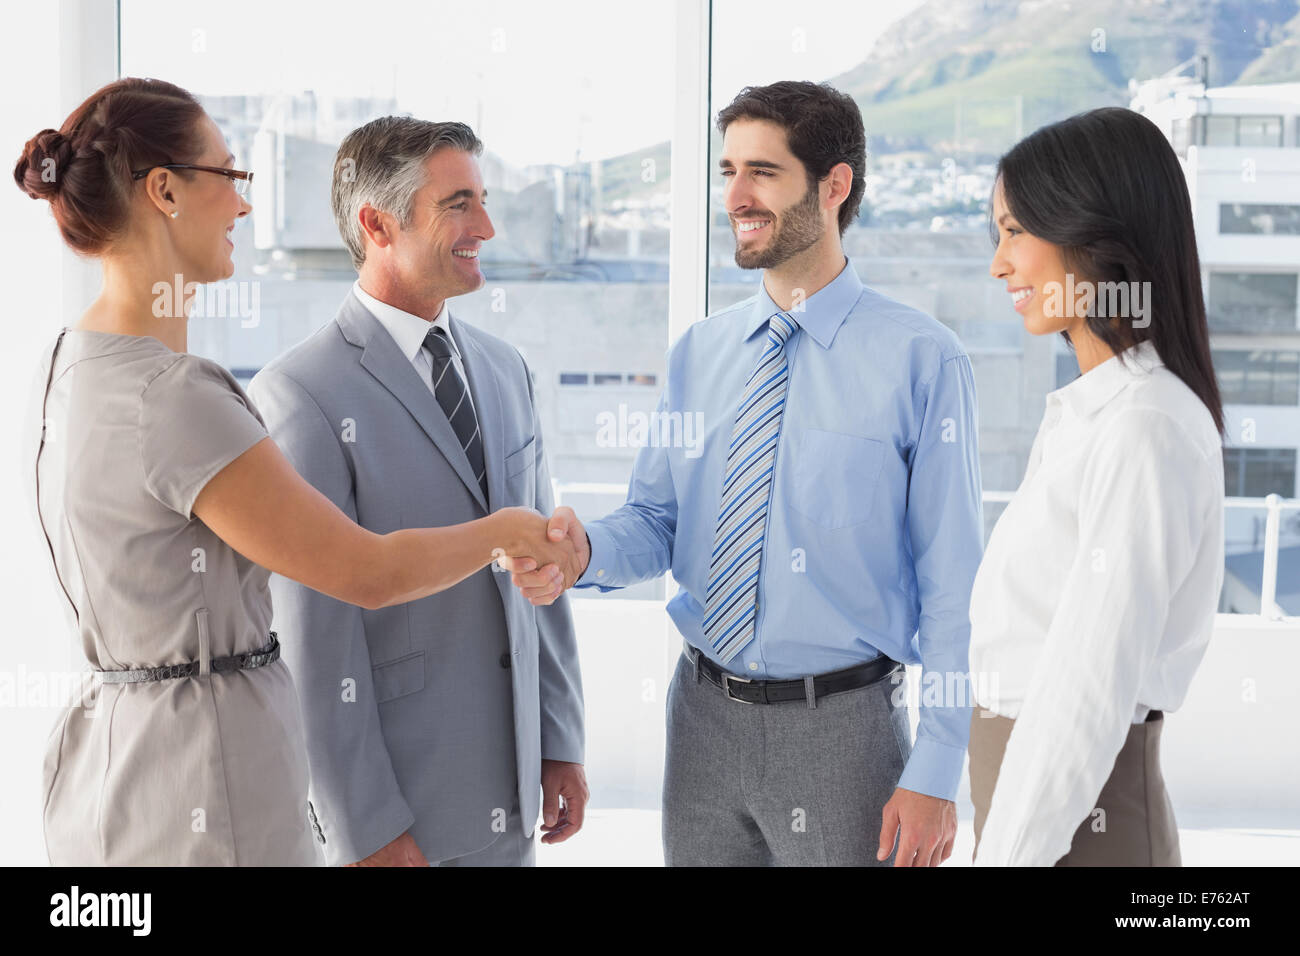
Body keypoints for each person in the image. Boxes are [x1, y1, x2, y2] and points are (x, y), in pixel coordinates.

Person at [16, 77, 577, 866]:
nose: (244, 206)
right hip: (202, 787)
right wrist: (506, 532)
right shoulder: (178, 396)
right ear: (164, 191)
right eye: (229, 177)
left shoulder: (68, 368)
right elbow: (361, 576)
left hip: (123, 770)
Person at [508, 80, 984, 867]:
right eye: (727, 170)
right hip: (701, 722)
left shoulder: (923, 360)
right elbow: (657, 520)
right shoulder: (702, 352)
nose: (735, 195)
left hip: (846, 733)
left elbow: (952, 590)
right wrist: (583, 551)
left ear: (835, 185)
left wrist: (937, 770)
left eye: (762, 171)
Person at [247, 116, 587, 868]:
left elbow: (544, 568)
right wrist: (364, 827)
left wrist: (559, 738)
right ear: (378, 224)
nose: (487, 226)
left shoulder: (506, 370)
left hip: (513, 793)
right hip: (405, 815)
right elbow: (313, 638)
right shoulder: (301, 394)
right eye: (458, 204)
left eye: (484, 199)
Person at [970, 106, 1226, 866]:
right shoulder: (1094, 414)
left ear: (1092, 233)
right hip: (1048, 818)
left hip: (1082, 828)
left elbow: (1085, 689)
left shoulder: (1143, 426)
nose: (998, 263)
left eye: (1016, 230)